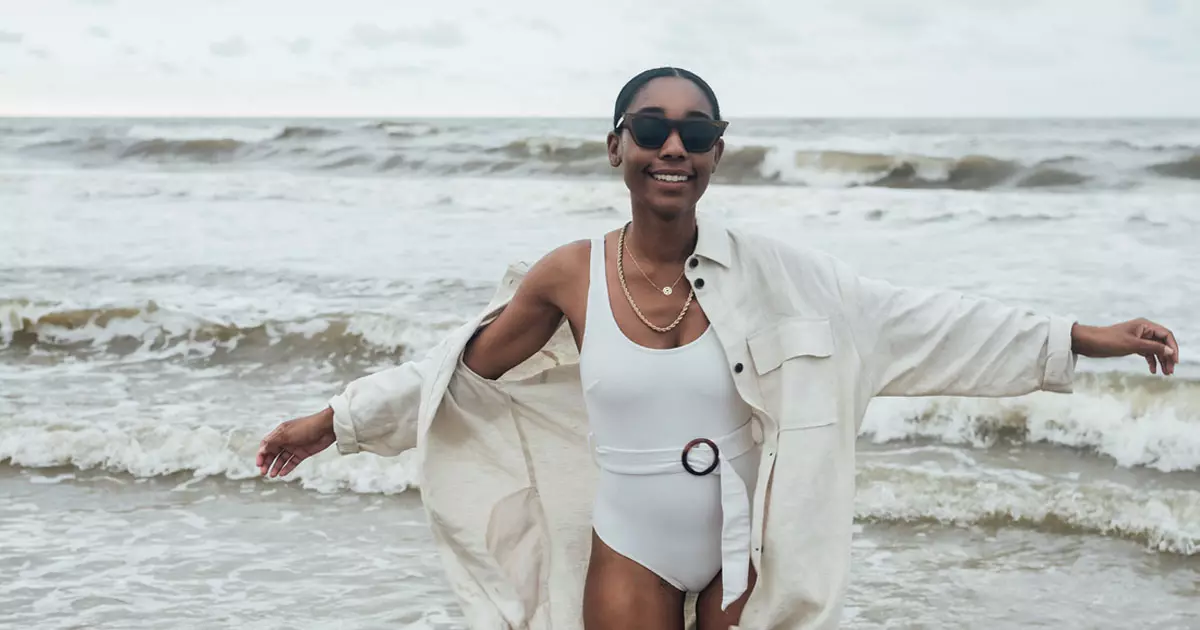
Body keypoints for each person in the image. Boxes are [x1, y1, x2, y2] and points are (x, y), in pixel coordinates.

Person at [256, 67, 1180, 630]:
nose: (672, 147)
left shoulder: (783, 275)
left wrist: (1076, 339)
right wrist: (334, 421)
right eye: (651, 130)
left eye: (694, 133)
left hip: (752, 547)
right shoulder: (567, 276)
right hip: (631, 545)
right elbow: (455, 378)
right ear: (615, 146)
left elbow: (918, 322)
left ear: (717, 152)